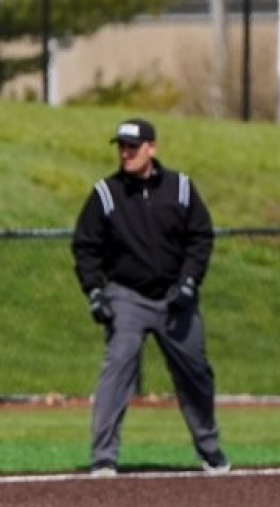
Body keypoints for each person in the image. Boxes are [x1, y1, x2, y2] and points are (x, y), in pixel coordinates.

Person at [71, 117, 228, 477]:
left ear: (152, 149)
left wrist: (189, 282)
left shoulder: (181, 189)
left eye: (133, 147)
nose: (126, 153)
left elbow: (200, 238)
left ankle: (210, 447)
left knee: (196, 373)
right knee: (118, 366)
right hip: (127, 295)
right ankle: (104, 457)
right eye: (122, 147)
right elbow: (86, 246)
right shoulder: (106, 194)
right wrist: (95, 291)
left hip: (176, 296)